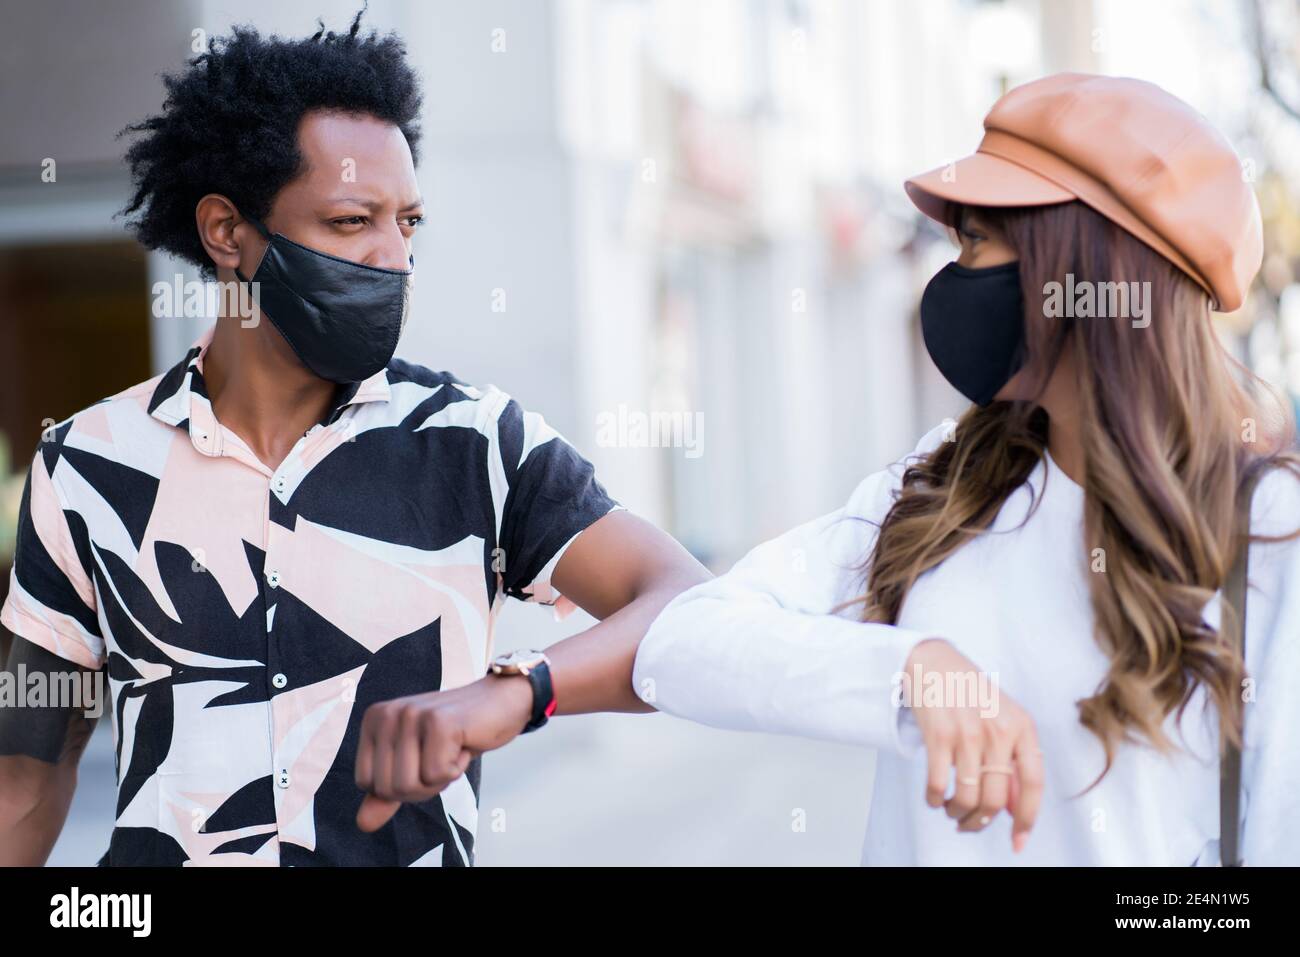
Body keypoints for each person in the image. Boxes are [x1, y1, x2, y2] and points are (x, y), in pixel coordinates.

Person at [0, 10, 708, 867]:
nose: (395, 258)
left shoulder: (477, 442)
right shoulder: (85, 466)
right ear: (228, 233)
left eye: (406, 222)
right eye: (350, 221)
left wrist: (520, 690)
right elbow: (26, 779)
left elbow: (688, 606)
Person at [633, 73, 1300, 866]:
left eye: (977, 242)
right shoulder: (942, 487)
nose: (952, 280)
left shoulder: (1268, 531)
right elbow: (681, 644)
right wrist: (910, 669)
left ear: (1081, 267)